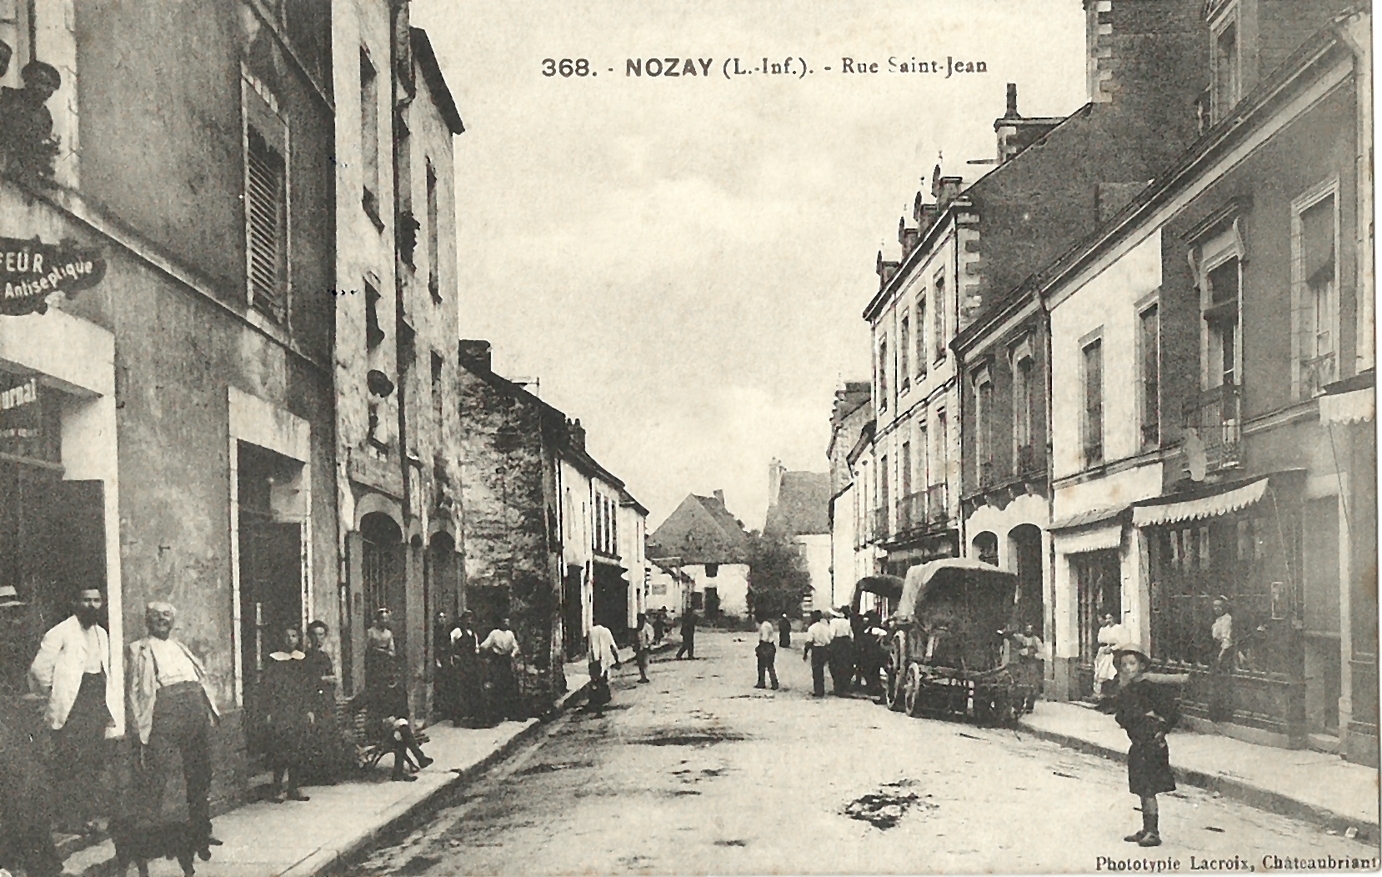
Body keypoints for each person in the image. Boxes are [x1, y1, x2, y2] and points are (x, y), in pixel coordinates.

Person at [127, 602, 222, 852]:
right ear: (148, 620)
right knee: (157, 774)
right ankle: (150, 838)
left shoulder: (179, 646)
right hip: (165, 714)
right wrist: (137, 725)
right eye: (157, 616)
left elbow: (200, 678)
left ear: (173, 621)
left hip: (194, 711)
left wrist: (206, 709)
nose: (162, 620)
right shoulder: (138, 649)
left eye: (167, 616)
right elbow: (134, 691)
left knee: (200, 773)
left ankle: (201, 830)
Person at [27, 586, 119, 835]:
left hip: (95, 702)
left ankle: (85, 817)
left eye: (96, 600)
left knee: (91, 762)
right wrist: (54, 693)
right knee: (70, 763)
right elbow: (39, 670)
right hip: (72, 707)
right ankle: (69, 819)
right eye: (86, 600)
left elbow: (103, 668)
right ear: (75, 602)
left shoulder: (101, 634)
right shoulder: (60, 632)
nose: (91, 605)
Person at [1110, 644, 1189, 848]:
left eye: (1132, 663)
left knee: (1148, 788)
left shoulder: (1150, 687)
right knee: (1140, 787)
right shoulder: (1126, 689)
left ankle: (1153, 832)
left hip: (1152, 743)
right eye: (1123, 664)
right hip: (1138, 744)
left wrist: (1161, 728)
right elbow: (1122, 716)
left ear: (1142, 665)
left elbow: (1172, 712)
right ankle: (1146, 828)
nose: (1128, 668)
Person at [351, 653, 432, 782]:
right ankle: (417, 758)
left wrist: (394, 719)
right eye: (389, 672)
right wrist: (382, 719)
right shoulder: (374, 690)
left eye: (395, 672)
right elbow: (353, 705)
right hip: (376, 728)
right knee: (401, 732)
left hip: (395, 728)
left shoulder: (399, 690)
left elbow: (404, 712)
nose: (393, 676)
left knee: (400, 733)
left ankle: (402, 771)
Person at [259, 625, 312, 803]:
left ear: (299, 639)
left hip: (298, 710)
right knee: (280, 749)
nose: (290, 640)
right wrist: (267, 711)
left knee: (297, 749)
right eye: (287, 636)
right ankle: (276, 788)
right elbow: (267, 688)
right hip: (280, 710)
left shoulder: (302, 660)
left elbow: (307, 687)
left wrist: (309, 709)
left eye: (294, 636)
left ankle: (293, 787)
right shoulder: (274, 660)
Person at [301, 620, 348, 784]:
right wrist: (323, 679)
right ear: (309, 636)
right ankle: (314, 775)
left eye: (321, 635)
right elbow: (305, 681)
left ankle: (329, 774)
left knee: (329, 737)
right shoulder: (305, 657)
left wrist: (330, 681)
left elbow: (332, 677)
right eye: (314, 635)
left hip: (327, 701)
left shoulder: (325, 656)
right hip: (314, 703)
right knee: (316, 738)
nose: (318, 638)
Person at [479, 618, 521, 723]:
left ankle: (507, 711)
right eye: (504, 622)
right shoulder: (495, 633)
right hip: (497, 661)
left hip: (505, 661)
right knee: (497, 685)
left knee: (507, 685)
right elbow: (484, 645)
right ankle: (498, 713)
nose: (506, 624)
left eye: (507, 622)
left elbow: (516, 647)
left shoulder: (510, 634)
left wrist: (512, 654)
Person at [450, 611, 481, 727]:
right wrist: (455, 655)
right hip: (462, 663)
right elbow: (451, 642)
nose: (469, 620)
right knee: (460, 689)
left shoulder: (473, 633)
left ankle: (470, 715)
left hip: (471, 663)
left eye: (470, 618)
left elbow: (476, 647)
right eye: (467, 618)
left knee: (471, 688)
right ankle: (457, 717)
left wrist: (476, 654)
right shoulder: (458, 631)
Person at [1209, 597, 1234, 723]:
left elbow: (1226, 639)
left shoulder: (1226, 619)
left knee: (1221, 683)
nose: (1217, 609)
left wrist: (1221, 655)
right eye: (1215, 606)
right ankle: (1216, 714)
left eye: (1219, 606)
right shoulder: (1218, 619)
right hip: (1216, 651)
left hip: (1224, 653)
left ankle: (1223, 714)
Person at [1094, 613, 1125, 712]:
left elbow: (1122, 642)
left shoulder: (1119, 628)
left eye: (1110, 618)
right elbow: (1101, 640)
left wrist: (1112, 649)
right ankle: (1104, 703)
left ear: (1115, 618)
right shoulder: (1105, 629)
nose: (1108, 621)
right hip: (1104, 654)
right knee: (1102, 676)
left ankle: (1113, 705)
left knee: (1112, 677)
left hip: (1115, 654)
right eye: (1107, 618)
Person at [587, 622, 620, 710]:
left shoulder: (591, 632)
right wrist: (617, 660)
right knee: (604, 679)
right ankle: (603, 698)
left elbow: (588, 647)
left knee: (595, 680)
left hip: (594, 660)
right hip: (606, 658)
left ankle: (597, 700)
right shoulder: (606, 631)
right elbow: (613, 647)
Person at [802, 611, 832, 698]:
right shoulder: (826, 628)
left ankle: (818, 690)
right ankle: (821, 689)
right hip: (825, 649)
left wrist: (805, 653)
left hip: (816, 650)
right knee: (822, 670)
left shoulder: (812, 628)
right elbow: (830, 639)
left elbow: (809, 642)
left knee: (816, 671)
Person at [365, 608, 395, 693]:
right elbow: (368, 647)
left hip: (385, 661)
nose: (385, 621)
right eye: (382, 619)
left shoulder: (388, 633)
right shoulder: (371, 632)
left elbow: (392, 650)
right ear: (378, 620)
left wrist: (387, 653)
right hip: (374, 660)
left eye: (386, 619)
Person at [827, 608, 855, 696]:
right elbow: (851, 635)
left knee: (835, 665)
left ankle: (837, 688)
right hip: (846, 644)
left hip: (837, 644)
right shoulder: (847, 622)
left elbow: (831, 635)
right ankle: (844, 687)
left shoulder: (833, 622)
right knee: (846, 665)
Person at [432, 611, 453, 722]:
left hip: (446, 659)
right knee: (439, 683)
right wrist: (437, 660)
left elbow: (449, 646)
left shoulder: (446, 631)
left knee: (447, 683)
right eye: (440, 617)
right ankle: (439, 707)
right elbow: (434, 646)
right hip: (439, 659)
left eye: (444, 617)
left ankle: (446, 709)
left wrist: (450, 658)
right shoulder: (434, 631)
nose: (442, 619)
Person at [754, 613, 779, 690]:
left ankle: (762, 682)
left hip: (766, 646)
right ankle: (773, 682)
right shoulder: (767, 624)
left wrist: (759, 647)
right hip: (770, 646)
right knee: (769, 665)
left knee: (762, 665)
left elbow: (764, 639)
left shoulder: (764, 626)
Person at [633, 613, 653, 684]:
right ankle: (642, 676)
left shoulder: (647, 627)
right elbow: (635, 637)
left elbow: (650, 637)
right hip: (639, 647)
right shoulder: (638, 627)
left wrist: (648, 644)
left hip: (645, 647)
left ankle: (646, 676)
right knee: (639, 662)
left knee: (645, 662)